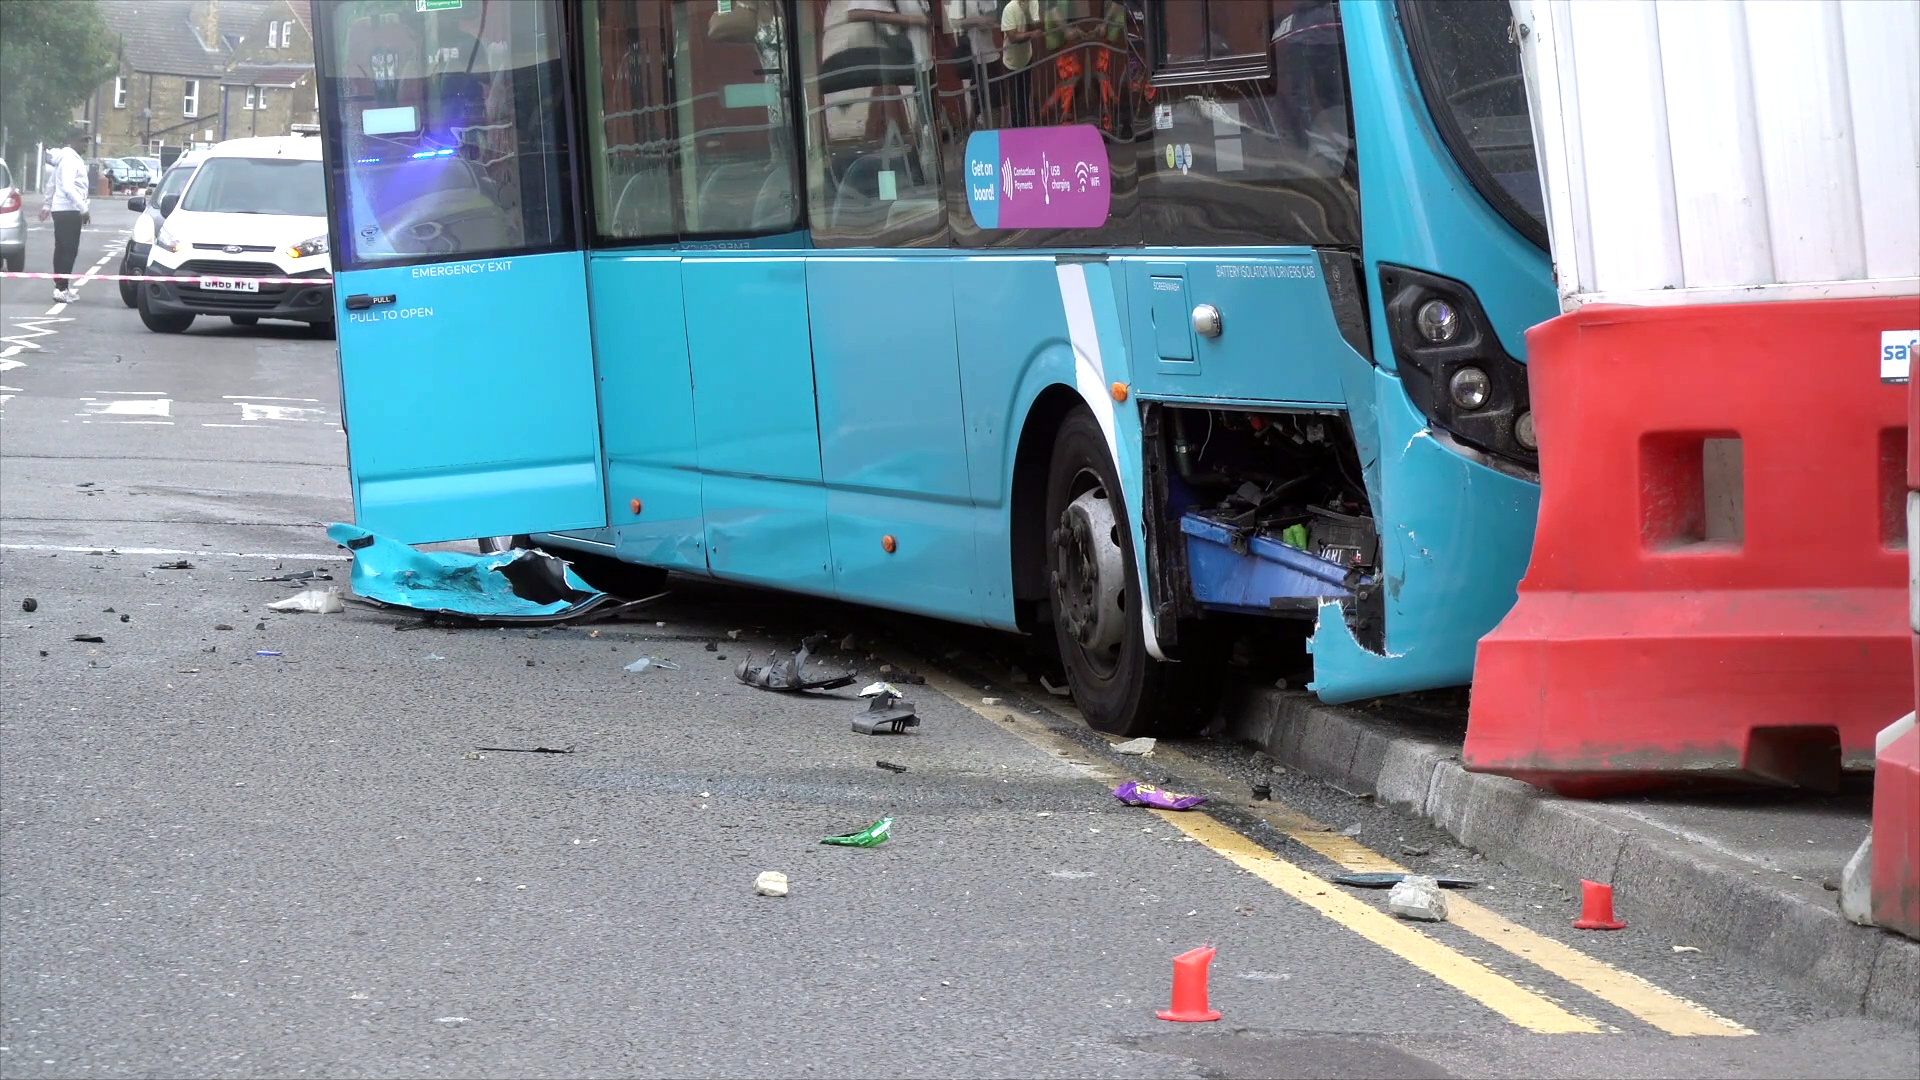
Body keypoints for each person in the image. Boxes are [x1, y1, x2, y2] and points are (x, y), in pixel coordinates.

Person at [39, 132, 90, 303]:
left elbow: (52, 183)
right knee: (68, 251)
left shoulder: (65, 159)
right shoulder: (69, 160)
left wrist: (47, 205)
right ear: (71, 141)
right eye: (83, 140)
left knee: (62, 249)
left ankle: (62, 287)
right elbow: (68, 187)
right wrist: (83, 209)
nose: (86, 144)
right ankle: (61, 289)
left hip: (62, 209)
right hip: (69, 210)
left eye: (87, 141)